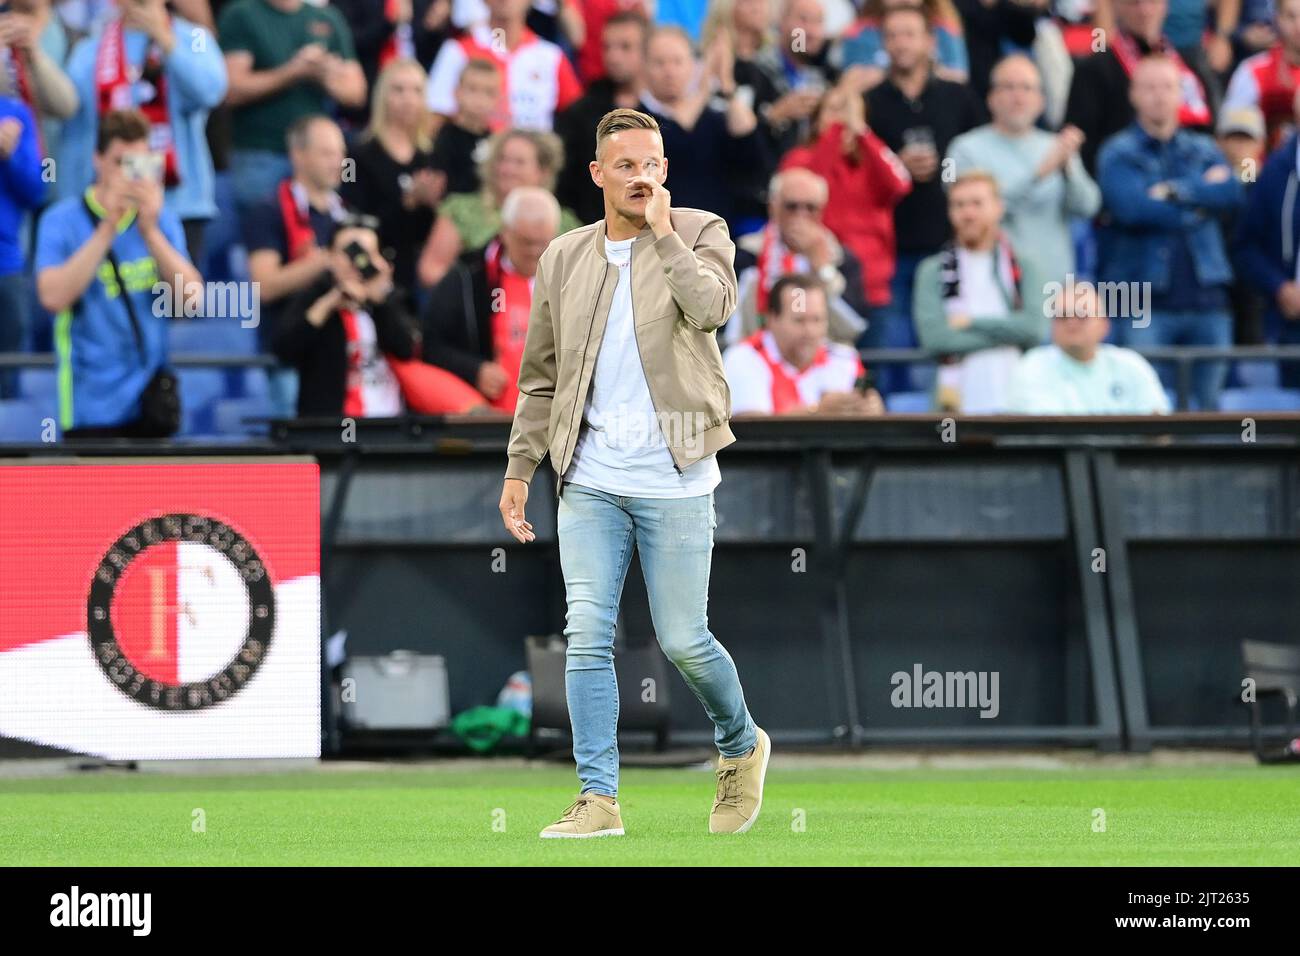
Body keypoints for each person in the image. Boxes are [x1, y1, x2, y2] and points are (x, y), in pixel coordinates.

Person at [498, 107, 767, 838]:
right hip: (588, 476)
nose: (641, 176)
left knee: (684, 639)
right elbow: (540, 376)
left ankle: (741, 744)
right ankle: (598, 799)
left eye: (651, 164)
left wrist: (664, 231)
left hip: (677, 474)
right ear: (596, 175)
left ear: (666, 172)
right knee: (586, 631)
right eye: (625, 165)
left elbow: (711, 308)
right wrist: (521, 465)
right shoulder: (562, 257)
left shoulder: (703, 231)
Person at [34, 109, 201, 436]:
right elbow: (53, 297)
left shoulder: (162, 221)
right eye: (120, 163)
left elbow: (191, 301)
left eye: (139, 164)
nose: (131, 175)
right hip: (89, 407)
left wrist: (151, 233)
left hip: (151, 404)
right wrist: (108, 227)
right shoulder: (62, 220)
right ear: (97, 160)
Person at [1097, 55, 1243, 411]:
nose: (1159, 96)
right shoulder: (1116, 151)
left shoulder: (1205, 147)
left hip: (1207, 296)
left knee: (1210, 411)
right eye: (1149, 87)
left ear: (1182, 94)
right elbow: (1131, 209)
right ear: (1133, 94)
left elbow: (1232, 193)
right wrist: (1198, 197)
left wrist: (1170, 192)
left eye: (1167, 87)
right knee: (1146, 410)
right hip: (1139, 300)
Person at [58, 0, 227, 267]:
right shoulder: (90, 48)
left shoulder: (194, 38)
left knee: (177, 304)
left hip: (179, 204)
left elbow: (210, 92)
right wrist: (72, 200)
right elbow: (75, 130)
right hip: (108, 207)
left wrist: (165, 40)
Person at [274, 213, 485, 417]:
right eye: (348, 253)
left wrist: (382, 301)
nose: (356, 263)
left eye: (365, 254)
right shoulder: (313, 298)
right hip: (330, 428)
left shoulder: (394, 300)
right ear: (329, 257)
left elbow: (410, 349)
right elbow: (284, 350)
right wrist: (328, 304)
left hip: (388, 428)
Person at [945, 54, 1100, 281]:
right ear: (991, 98)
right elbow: (965, 211)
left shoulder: (1056, 147)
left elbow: (1088, 207)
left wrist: (1069, 170)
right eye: (1008, 87)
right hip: (990, 284)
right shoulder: (964, 149)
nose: (1018, 97)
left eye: (1027, 88)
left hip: (1052, 285)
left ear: (1041, 102)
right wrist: (1039, 174)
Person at [779, 82, 911, 342]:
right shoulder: (800, 158)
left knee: (876, 373)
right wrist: (837, 133)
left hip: (874, 288)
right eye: (834, 110)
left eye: (850, 112)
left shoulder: (871, 162)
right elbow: (811, 181)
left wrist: (861, 132)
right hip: (822, 289)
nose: (843, 119)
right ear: (816, 121)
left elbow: (900, 182)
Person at [913, 171, 1049, 413]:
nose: (968, 213)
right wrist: (1008, 333)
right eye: (959, 205)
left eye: (977, 203)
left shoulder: (1024, 266)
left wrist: (970, 322)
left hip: (1017, 400)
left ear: (998, 207)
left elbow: (1034, 329)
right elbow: (936, 339)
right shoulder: (931, 270)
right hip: (955, 404)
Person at [244, 115, 352, 417]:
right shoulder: (269, 210)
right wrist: (325, 261)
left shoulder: (345, 214)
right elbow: (264, 286)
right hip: (289, 354)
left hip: (338, 357)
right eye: (327, 153)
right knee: (297, 451)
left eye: (340, 153)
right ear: (298, 156)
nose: (338, 162)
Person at [218, 0, 367, 212]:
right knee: (259, 231)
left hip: (318, 157)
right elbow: (229, 89)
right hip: (260, 153)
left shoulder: (327, 18)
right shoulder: (242, 13)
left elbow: (356, 92)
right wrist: (293, 71)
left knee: (320, 231)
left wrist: (324, 73)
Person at [422, 185, 560, 411]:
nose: (536, 251)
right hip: (490, 422)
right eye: (526, 241)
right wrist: (474, 370)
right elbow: (431, 345)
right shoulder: (467, 277)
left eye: (543, 242)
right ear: (505, 231)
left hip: (555, 420)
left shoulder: (571, 275)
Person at [726, 167, 872, 348]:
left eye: (811, 207)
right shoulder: (746, 254)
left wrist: (824, 270)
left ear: (822, 211)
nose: (801, 215)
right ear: (773, 208)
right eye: (792, 206)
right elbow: (731, 328)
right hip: (760, 361)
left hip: (824, 363)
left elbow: (854, 327)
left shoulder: (842, 258)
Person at [417, 126, 580, 287]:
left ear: (542, 172)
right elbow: (430, 271)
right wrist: (471, 291)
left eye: (519, 162)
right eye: (502, 159)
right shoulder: (461, 210)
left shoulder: (564, 222)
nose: (507, 169)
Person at [1064, 0, 1212, 175]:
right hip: (1120, 177)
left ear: (1165, 6)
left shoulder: (1188, 66)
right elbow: (1080, 144)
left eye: (1152, 2)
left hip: (1188, 175)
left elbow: (1210, 134)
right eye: (1134, 3)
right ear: (1116, 7)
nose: (1144, 11)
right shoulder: (1094, 69)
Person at [638, 25, 764, 228]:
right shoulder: (636, 120)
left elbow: (751, 148)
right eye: (659, 63)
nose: (669, 71)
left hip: (715, 236)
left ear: (691, 66)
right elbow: (674, 135)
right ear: (644, 67)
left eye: (677, 62)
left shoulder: (712, 118)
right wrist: (704, 87)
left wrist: (726, 83)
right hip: (660, 237)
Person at [341, 58, 445, 299]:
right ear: (382, 96)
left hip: (419, 268)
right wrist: (407, 202)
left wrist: (434, 204)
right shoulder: (358, 153)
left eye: (417, 91)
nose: (408, 99)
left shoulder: (431, 155)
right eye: (398, 90)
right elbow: (353, 216)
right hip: (376, 270)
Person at [724, 272, 886, 414]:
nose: (809, 331)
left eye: (817, 320)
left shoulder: (844, 358)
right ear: (771, 319)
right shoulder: (743, 357)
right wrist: (818, 412)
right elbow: (752, 430)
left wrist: (872, 408)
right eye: (799, 321)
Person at [1006, 282, 1171, 413]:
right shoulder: (1032, 367)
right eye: (1063, 316)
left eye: (1081, 315)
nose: (1071, 323)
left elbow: (1157, 427)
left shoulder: (1131, 365)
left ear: (1104, 325)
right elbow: (1043, 432)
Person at [424, 0, 581, 130]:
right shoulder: (456, 51)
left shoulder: (551, 56)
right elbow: (435, 119)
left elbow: (577, 118)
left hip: (535, 161)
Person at [554, 9, 648, 225]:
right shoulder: (580, 114)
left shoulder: (665, 109)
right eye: (607, 47)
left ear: (647, 51)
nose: (613, 57)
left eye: (625, 47)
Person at [0, 94, 44, 398]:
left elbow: (37, 190)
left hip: (6, 264)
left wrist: (11, 155)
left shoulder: (15, 113)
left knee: (7, 382)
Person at [1222, 0, 1300, 151]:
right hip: (1266, 168)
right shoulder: (1253, 71)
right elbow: (1234, 139)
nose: (1299, 25)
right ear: (1278, 19)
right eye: (1291, 16)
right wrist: (1248, 174)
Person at [427, 54, 498, 196]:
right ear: (457, 93)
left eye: (489, 92)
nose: (480, 99)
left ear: (497, 98)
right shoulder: (443, 139)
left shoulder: (496, 142)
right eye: (473, 89)